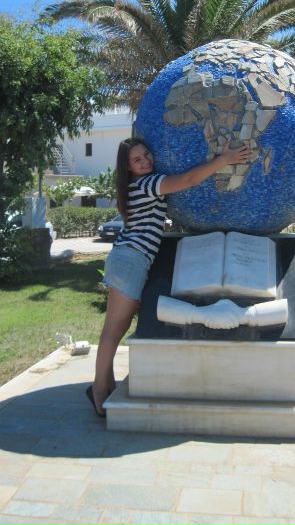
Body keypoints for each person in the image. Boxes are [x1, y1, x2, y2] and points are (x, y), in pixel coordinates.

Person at [86, 137, 251, 417]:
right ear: (128, 167)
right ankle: (99, 390)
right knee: (113, 330)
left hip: (131, 260)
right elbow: (187, 180)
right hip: (130, 261)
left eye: (146, 154)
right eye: (137, 160)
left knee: (115, 329)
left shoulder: (137, 185)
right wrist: (224, 160)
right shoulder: (147, 184)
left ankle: (105, 383)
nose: (146, 161)